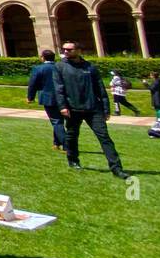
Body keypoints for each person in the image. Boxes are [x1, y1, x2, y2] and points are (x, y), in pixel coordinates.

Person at [54, 41, 128, 179]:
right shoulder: (59, 67)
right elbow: (59, 88)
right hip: (72, 108)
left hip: (93, 108)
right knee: (71, 135)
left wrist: (106, 108)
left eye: (69, 50)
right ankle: (73, 160)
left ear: (78, 50)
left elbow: (99, 88)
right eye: (63, 49)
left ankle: (116, 168)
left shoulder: (90, 67)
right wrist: (63, 106)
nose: (65, 52)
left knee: (104, 137)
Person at [26, 49, 65, 150]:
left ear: (43, 57)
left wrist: (30, 97)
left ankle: (67, 146)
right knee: (58, 120)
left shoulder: (38, 68)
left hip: (48, 98)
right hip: (63, 97)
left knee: (56, 121)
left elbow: (32, 84)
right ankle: (56, 143)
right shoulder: (60, 67)